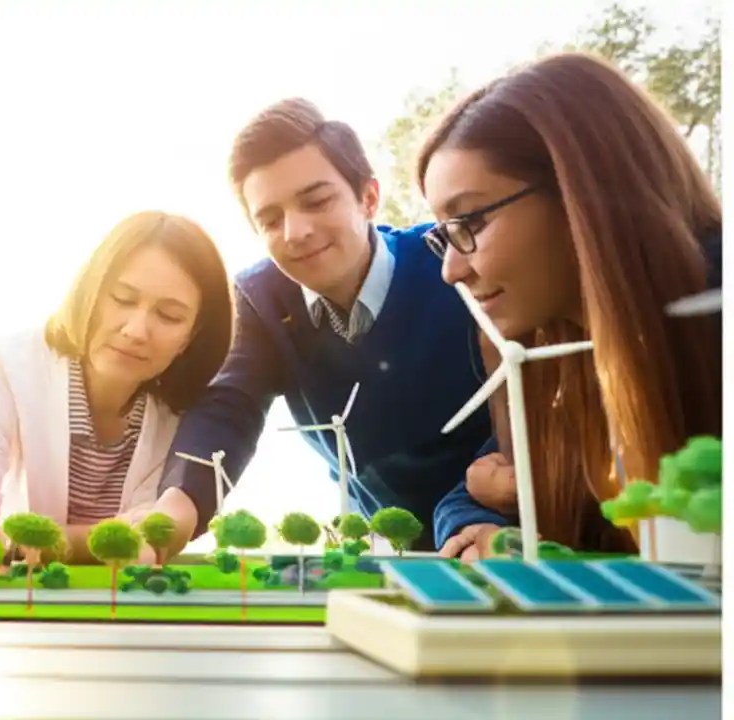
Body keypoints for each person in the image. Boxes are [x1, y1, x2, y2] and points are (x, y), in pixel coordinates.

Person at [144, 98, 495, 556]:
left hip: (494, 529)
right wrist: (178, 504)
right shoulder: (259, 299)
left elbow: (523, 407)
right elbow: (230, 407)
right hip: (388, 551)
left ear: (369, 197)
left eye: (316, 201)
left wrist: (473, 516)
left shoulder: (450, 262)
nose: (295, 232)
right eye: (270, 219)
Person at [420, 52, 722, 559]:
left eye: (471, 222)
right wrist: (480, 524)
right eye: (444, 236)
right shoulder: (554, 352)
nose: (451, 270)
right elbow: (475, 486)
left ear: (581, 190)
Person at [0, 211, 232, 561]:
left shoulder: (194, 413)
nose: (135, 330)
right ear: (90, 291)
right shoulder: (6, 363)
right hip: (18, 600)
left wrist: (18, 543)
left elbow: (145, 538)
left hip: (124, 603)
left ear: (192, 335)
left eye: (169, 316)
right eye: (122, 299)